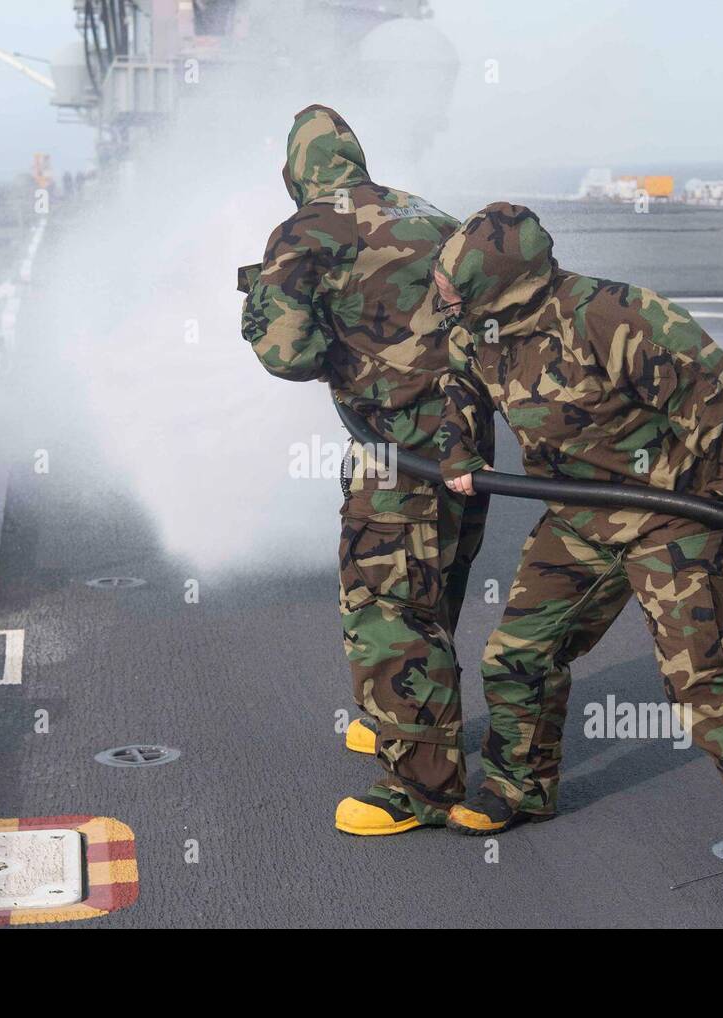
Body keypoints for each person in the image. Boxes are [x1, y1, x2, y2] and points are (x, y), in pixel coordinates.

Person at [432, 202, 723, 904]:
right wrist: (460, 449)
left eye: (456, 291)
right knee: (517, 655)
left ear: (503, 284)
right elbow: (460, 388)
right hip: (577, 519)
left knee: (707, 682)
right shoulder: (476, 332)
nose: (445, 300)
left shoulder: (615, 317)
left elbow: (711, 391)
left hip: (672, 520)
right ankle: (521, 786)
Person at [240, 105, 493, 835]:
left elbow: (286, 353)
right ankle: (411, 723)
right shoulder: (426, 210)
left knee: (384, 603)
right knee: (434, 583)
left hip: (398, 448)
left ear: (297, 172)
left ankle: (421, 785)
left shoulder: (309, 228)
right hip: (468, 441)